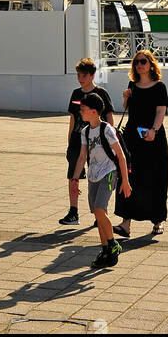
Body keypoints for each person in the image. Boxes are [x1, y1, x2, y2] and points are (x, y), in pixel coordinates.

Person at [71, 92, 132, 270]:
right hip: (93, 175)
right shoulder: (85, 131)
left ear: (94, 111)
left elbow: (120, 156)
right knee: (98, 214)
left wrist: (125, 181)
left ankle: (113, 244)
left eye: (83, 108)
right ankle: (105, 249)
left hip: (109, 173)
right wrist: (75, 179)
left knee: (99, 210)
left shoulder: (107, 129)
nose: (80, 111)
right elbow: (82, 157)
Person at [113, 49, 168, 238]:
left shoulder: (159, 87)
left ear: (151, 64)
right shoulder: (132, 85)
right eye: (136, 62)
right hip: (132, 138)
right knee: (129, 178)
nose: (139, 65)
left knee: (155, 179)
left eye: (143, 61)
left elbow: (161, 111)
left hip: (153, 139)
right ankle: (125, 224)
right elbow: (128, 110)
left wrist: (154, 130)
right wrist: (125, 98)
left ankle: (158, 221)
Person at [59, 58, 115, 225]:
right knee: (72, 175)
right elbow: (72, 118)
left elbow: (109, 118)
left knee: (98, 175)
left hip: (97, 141)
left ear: (92, 75)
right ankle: (73, 211)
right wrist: (69, 139)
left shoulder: (101, 93)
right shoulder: (76, 94)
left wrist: (108, 139)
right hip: (77, 139)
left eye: (83, 75)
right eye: (78, 75)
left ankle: (100, 213)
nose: (80, 78)